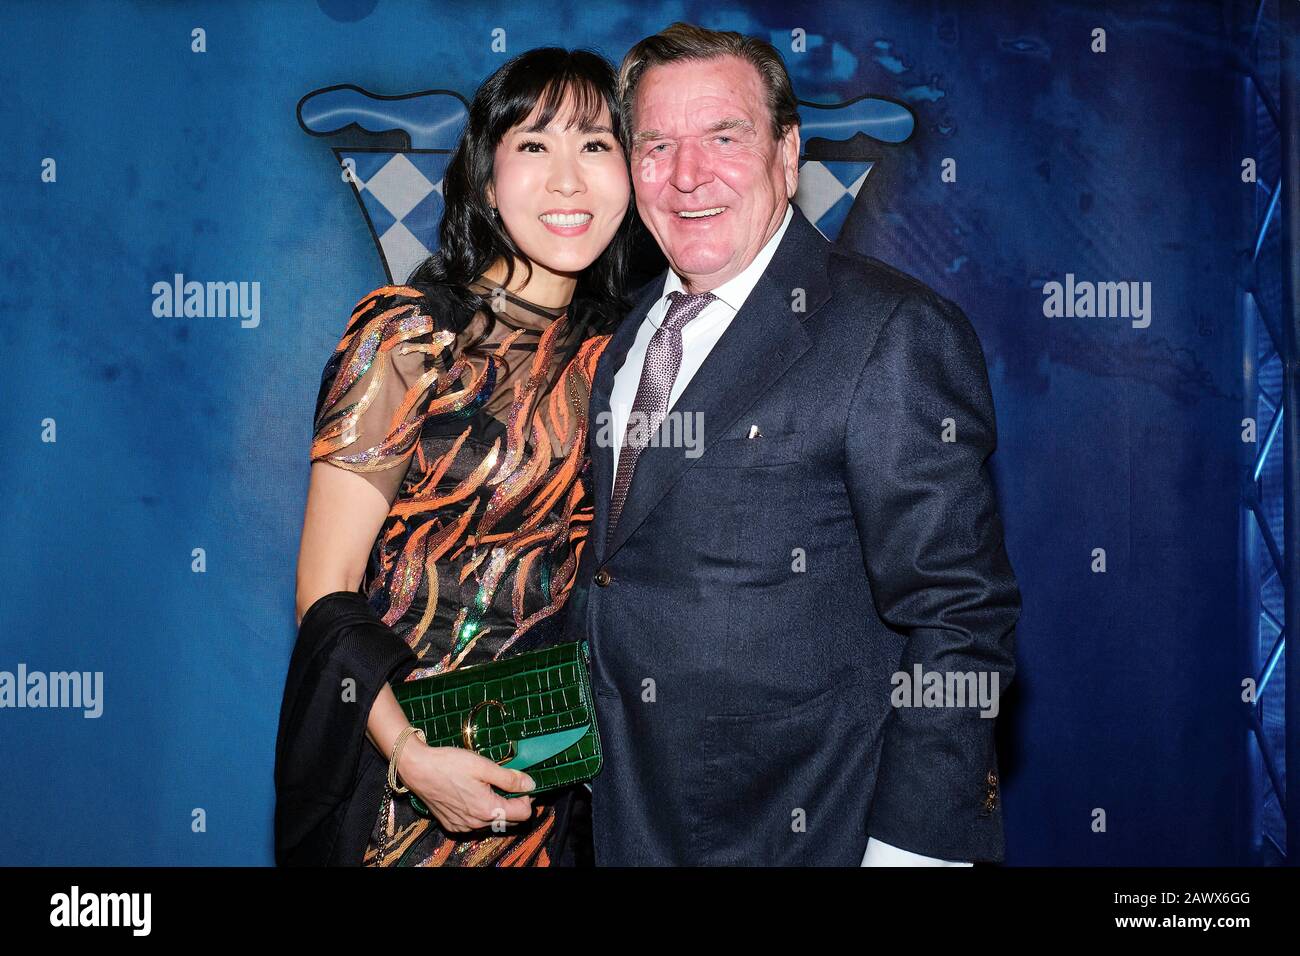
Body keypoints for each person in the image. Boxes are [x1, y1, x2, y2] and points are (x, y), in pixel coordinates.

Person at [564, 22, 1022, 865]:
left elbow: (959, 616)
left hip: (810, 831)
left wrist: (914, 848)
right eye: (656, 144)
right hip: (631, 822)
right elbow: (620, 575)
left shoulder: (890, 331)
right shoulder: (628, 336)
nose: (687, 174)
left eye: (724, 137)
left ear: (788, 154)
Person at [275, 46, 633, 866]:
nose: (569, 180)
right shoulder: (411, 336)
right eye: (534, 146)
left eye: (596, 144)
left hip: (562, 789)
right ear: (484, 176)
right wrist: (411, 757)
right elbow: (323, 591)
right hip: (402, 781)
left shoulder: (633, 356)